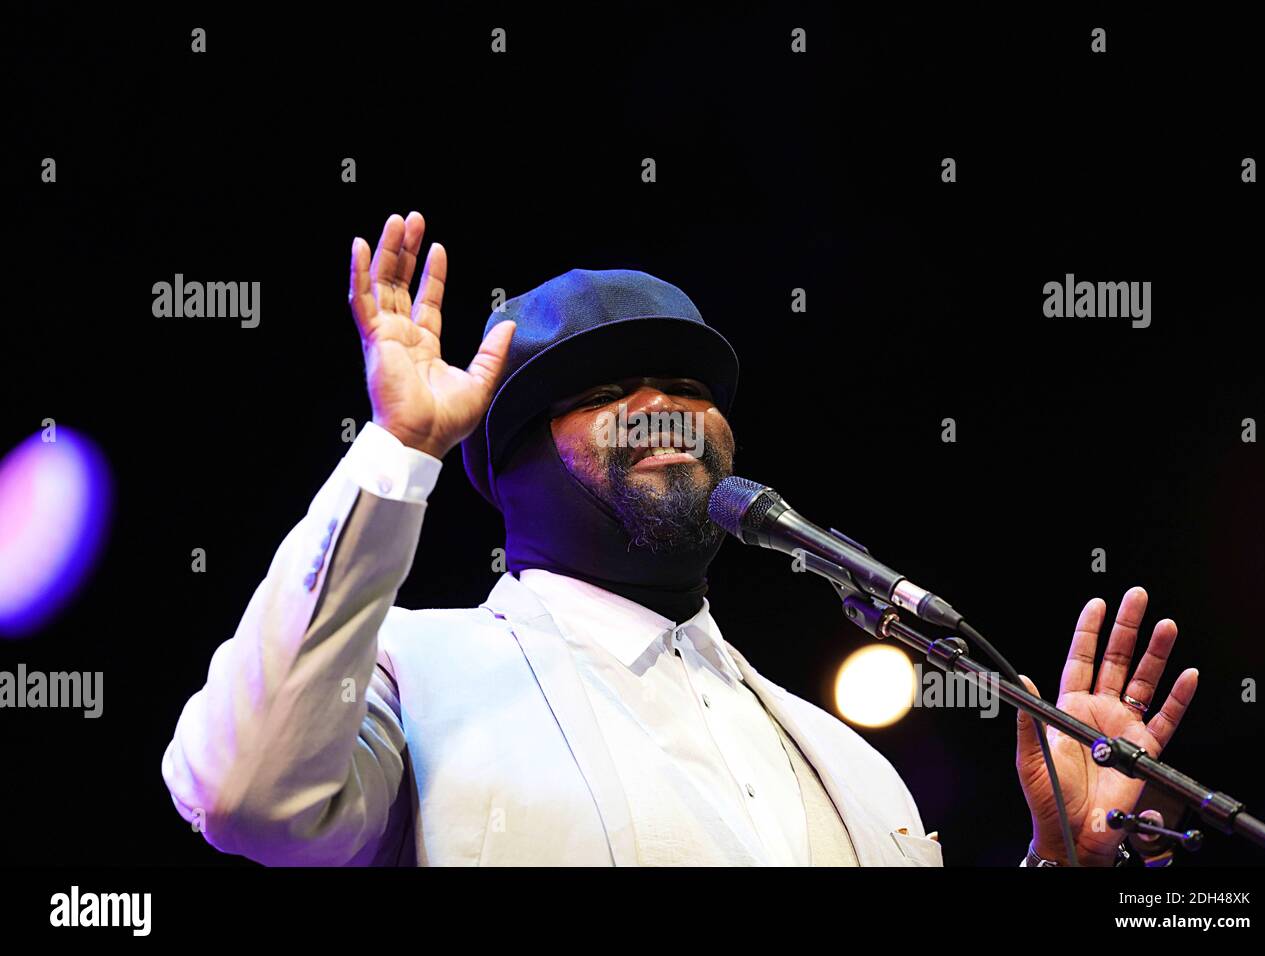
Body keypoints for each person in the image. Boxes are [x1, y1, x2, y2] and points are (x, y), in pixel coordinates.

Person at [161, 211, 1199, 866]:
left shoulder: (843, 755)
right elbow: (250, 797)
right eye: (606, 391)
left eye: (690, 386)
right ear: (507, 461)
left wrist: (1061, 863)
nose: (663, 405)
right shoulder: (413, 671)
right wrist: (399, 449)